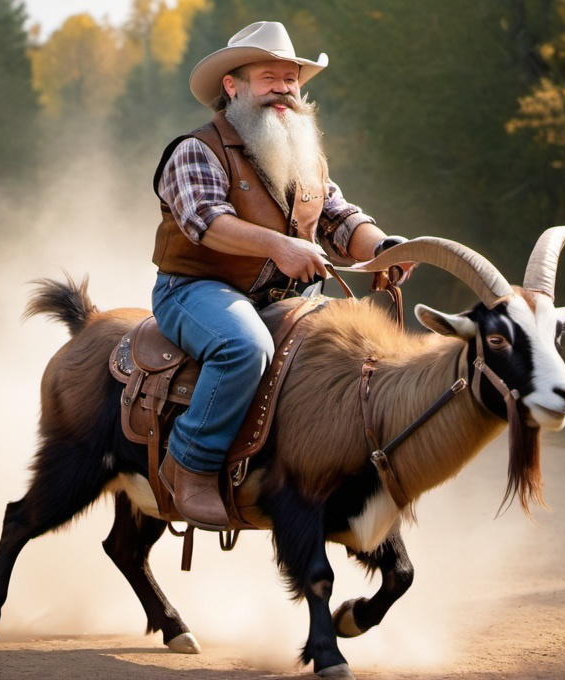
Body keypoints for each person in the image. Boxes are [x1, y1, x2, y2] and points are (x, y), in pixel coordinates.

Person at [151, 21, 408, 530]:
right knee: (244, 347)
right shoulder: (196, 150)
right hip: (197, 290)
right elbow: (205, 221)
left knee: (352, 354)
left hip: (284, 298)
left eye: (291, 79)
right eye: (270, 77)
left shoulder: (303, 154)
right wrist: (280, 247)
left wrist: (381, 247)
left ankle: (329, 473)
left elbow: (336, 217)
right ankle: (190, 464)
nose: (284, 89)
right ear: (234, 86)